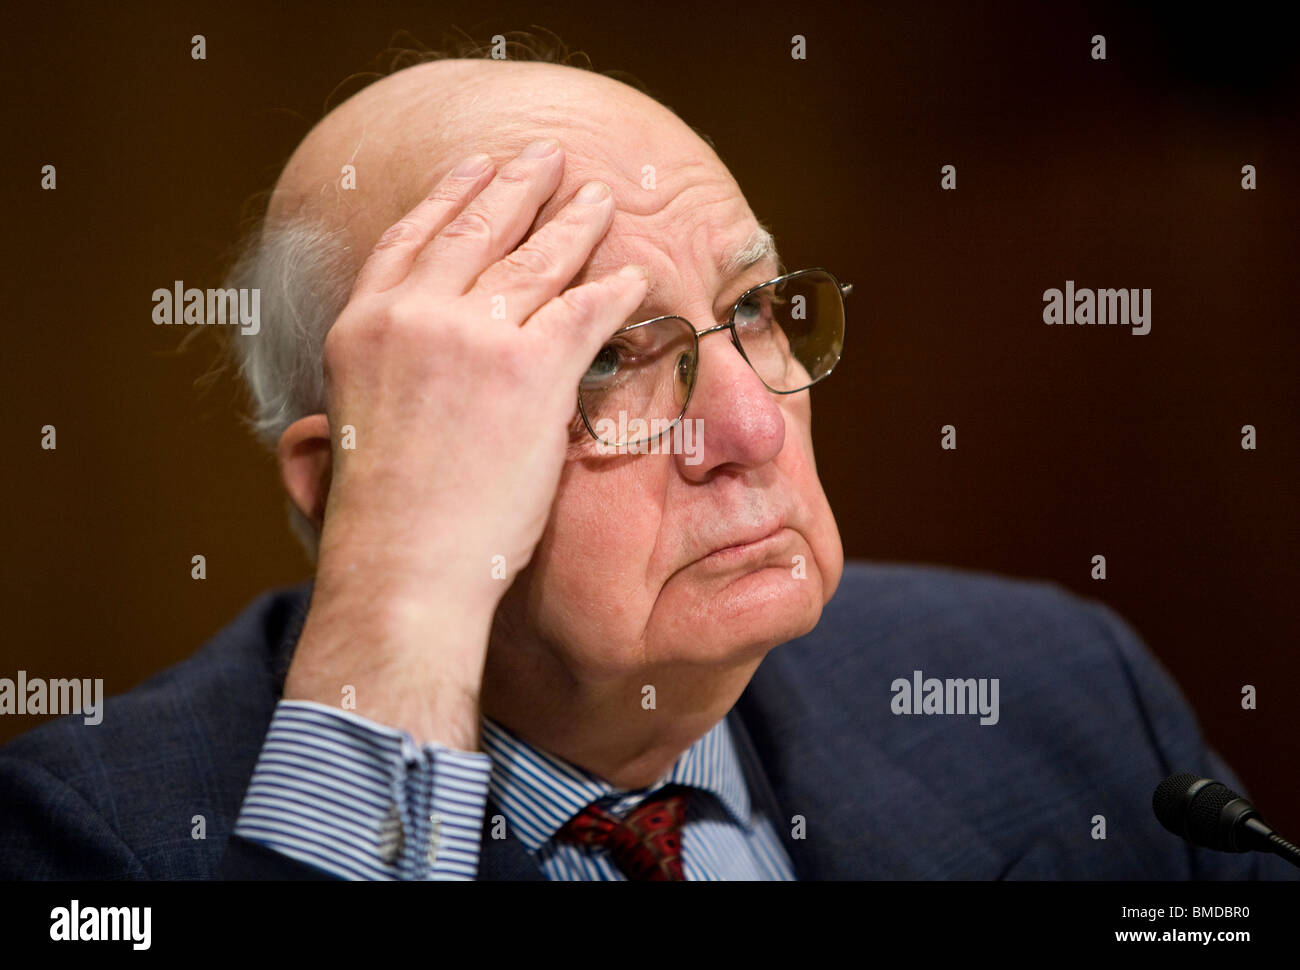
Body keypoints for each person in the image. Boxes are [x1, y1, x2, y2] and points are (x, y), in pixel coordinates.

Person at [1, 46, 1292, 881]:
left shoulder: (1053, 683)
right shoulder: (88, 837)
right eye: (603, 358)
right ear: (357, 490)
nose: (748, 428)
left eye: (755, 310)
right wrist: (402, 600)